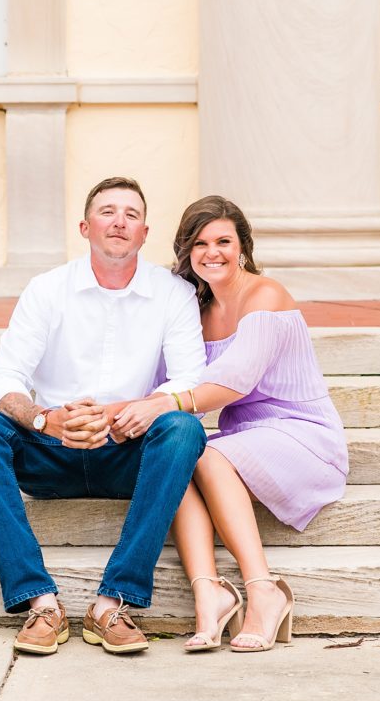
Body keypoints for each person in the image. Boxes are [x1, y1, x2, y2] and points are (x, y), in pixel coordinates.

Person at [0, 176, 209, 657]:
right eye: (108, 212)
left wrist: (125, 412)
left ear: (145, 233)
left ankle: (113, 603)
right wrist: (46, 420)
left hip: (126, 452)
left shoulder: (173, 292)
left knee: (183, 428)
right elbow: (1, 377)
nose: (119, 221)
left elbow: (189, 378)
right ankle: (39, 601)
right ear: (86, 226)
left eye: (131, 214)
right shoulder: (48, 289)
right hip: (53, 450)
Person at [108, 195, 349, 653]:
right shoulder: (196, 313)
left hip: (302, 435)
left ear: (243, 247)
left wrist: (158, 405)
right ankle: (209, 593)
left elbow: (233, 384)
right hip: (246, 440)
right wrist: (115, 411)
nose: (212, 252)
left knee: (209, 454)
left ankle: (263, 588)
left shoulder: (266, 295)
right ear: (186, 251)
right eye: (199, 243)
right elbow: (172, 386)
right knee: (173, 456)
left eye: (224, 240)